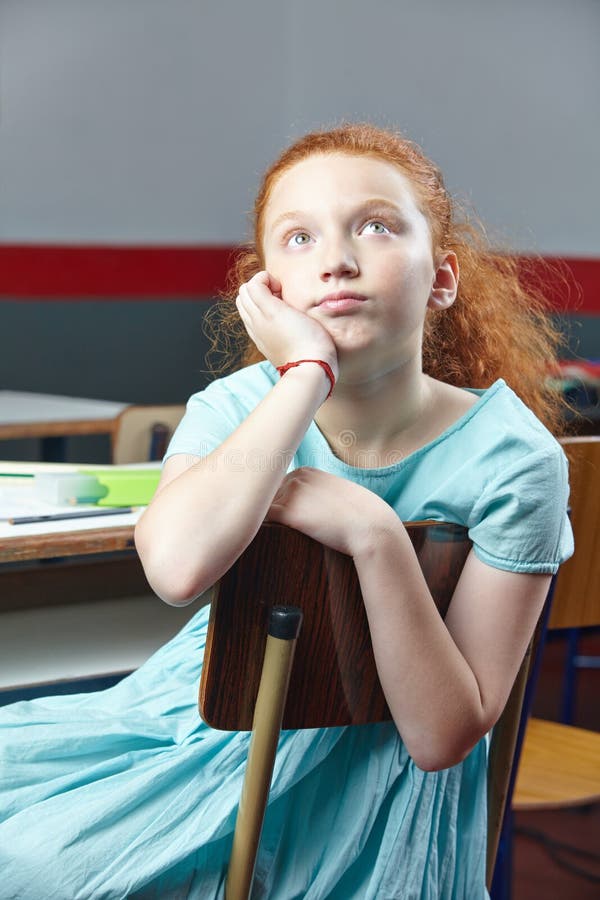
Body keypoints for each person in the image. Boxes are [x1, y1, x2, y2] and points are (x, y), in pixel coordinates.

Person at [0, 123, 573, 899]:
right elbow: (175, 569)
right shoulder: (240, 408)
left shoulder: (517, 459)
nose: (337, 258)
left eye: (375, 225)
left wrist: (374, 537)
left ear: (442, 279)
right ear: (269, 291)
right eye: (299, 238)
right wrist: (304, 373)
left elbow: (442, 736)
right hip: (192, 733)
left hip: (377, 792)